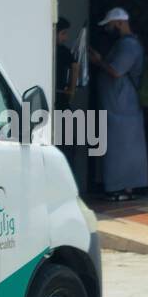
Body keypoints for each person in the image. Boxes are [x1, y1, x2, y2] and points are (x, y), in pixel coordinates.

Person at [88, 7, 148, 202]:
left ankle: (123, 188)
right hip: (119, 105)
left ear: (120, 23)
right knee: (120, 146)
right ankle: (120, 186)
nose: (108, 29)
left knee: (121, 147)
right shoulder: (125, 44)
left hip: (122, 106)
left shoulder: (128, 46)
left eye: (110, 25)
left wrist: (98, 61)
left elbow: (116, 71)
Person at [53, 16, 85, 193]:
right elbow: (75, 67)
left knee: (64, 145)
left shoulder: (59, 51)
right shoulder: (60, 51)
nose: (65, 38)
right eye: (63, 34)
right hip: (59, 104)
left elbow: (75, 66)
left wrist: (70, 91)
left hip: (59, 104)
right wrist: (71, 90)